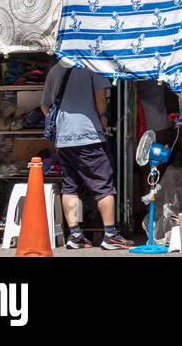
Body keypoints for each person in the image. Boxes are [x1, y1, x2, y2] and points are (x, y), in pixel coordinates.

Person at [40, 60, 128, 249]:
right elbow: (101, 103)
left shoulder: (54, 70)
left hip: (64, 139)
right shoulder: (92, 66)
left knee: (70, 186)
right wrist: (102, 118)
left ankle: (75, 235)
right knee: (103, 183)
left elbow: (45, 106)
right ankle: (110, 235)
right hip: (88, 136)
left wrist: (63, 124)